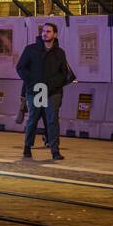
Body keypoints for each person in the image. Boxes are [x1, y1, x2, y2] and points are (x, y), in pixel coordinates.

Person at [15, 22, 75, 161]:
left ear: (54, 34)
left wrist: (54, 84)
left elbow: (63, 72)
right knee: (33, 119)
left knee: (52, 120)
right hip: (36, 90)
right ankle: (27, 147)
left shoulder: (59, 53)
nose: (45, 33)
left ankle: (55, 150)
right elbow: (21, 68)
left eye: (48, 31)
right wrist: (31, 82)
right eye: (43, 31)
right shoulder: (31, 49)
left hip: (53, 92)